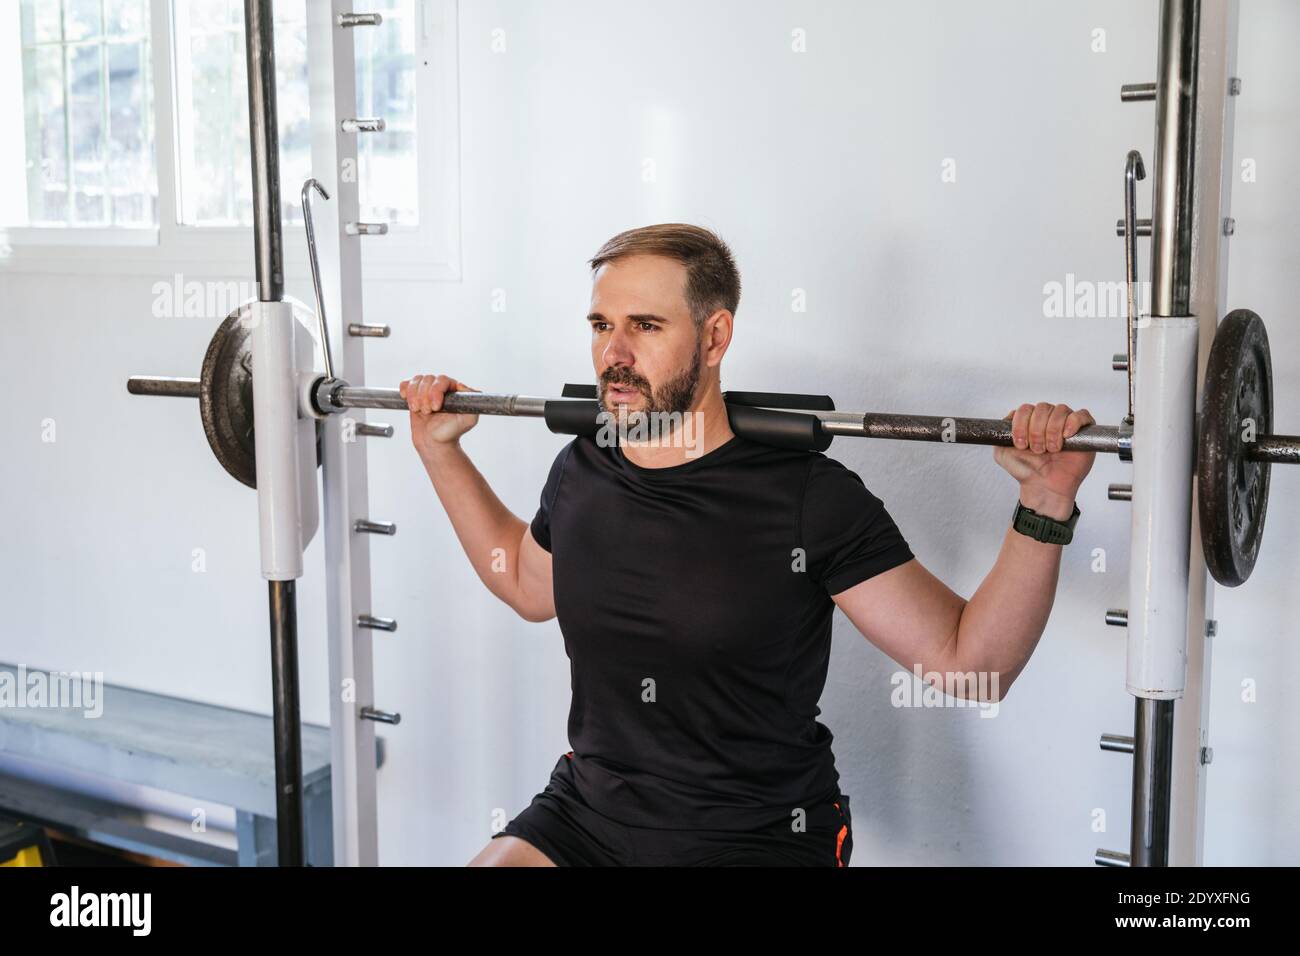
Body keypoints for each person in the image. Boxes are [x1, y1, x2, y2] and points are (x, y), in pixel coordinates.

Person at [399, 223, 1096, 866]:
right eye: (601, 325)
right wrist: (440, 453)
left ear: (714, 337)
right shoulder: (585, 465)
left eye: (645, 326)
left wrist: (1044, 503)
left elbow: (969, 661)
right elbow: (527, 585)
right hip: (592, 811)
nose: (613, 355)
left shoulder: (807, 496)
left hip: (758, 831)